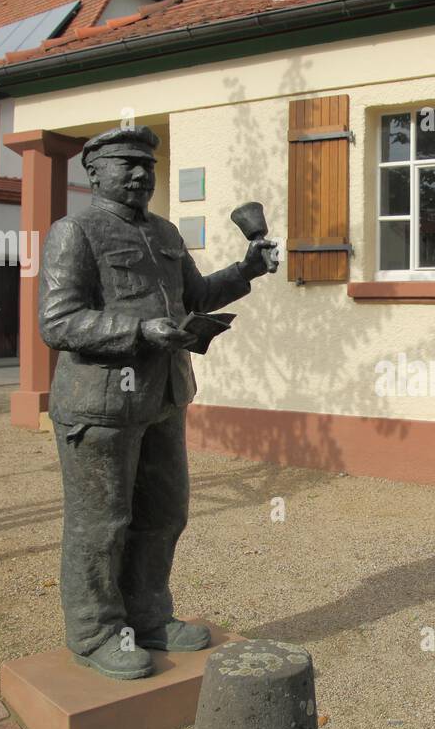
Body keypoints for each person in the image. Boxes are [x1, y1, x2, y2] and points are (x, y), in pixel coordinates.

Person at [38, 125, 275, 679]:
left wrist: (246, 270)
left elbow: (194, 296)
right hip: (99, 407)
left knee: (164, 514)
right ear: (94, 172)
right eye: (128, 163)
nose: (142, 173)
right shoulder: (75, 231)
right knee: (101, 524)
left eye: (147, 164)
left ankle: (148, 616)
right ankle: (96, 633)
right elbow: (59, 320)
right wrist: (140, 331)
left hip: (164, 397)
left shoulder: (165, 232)